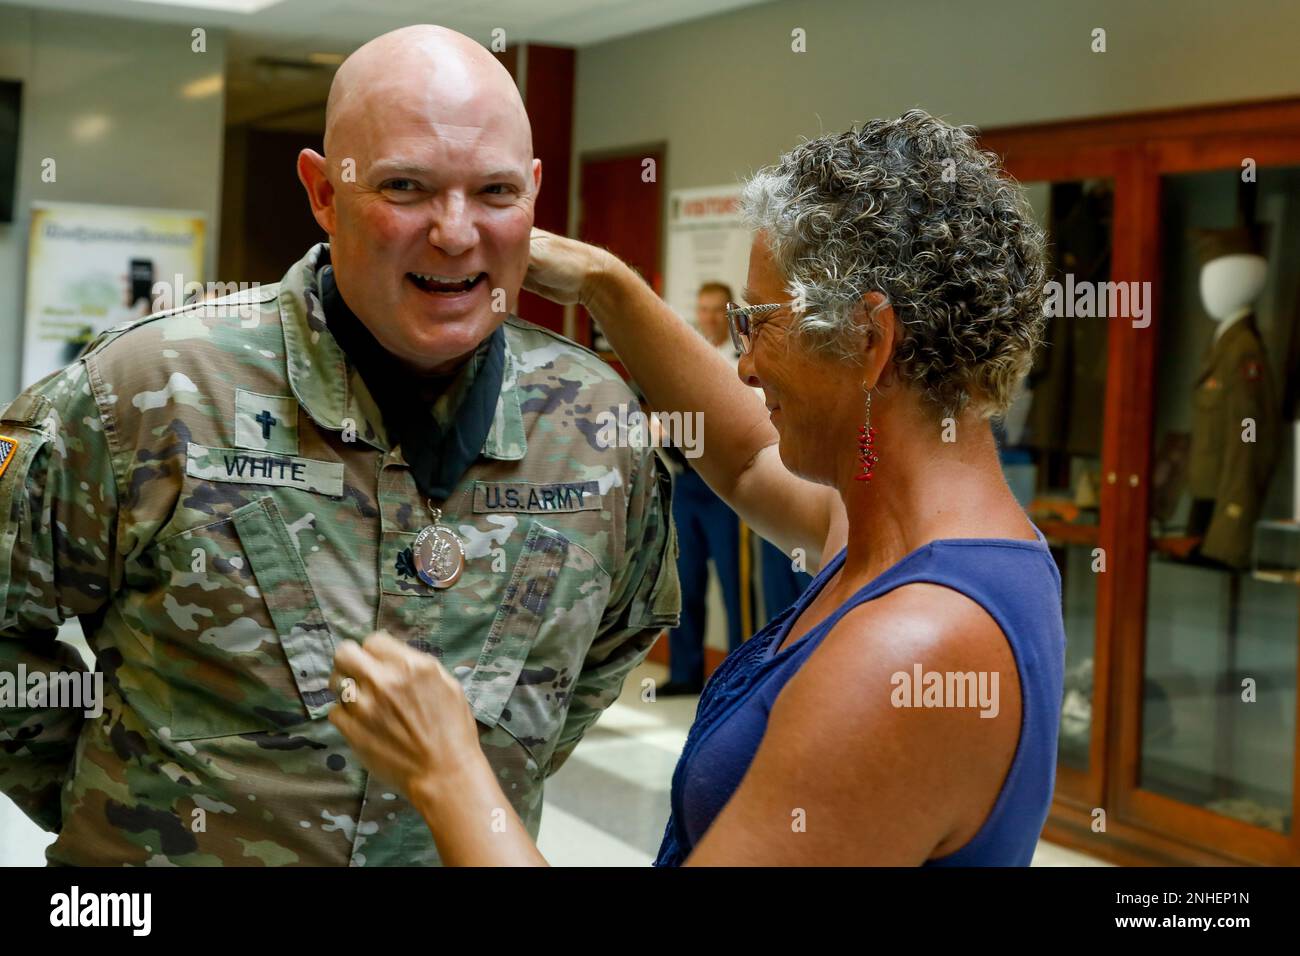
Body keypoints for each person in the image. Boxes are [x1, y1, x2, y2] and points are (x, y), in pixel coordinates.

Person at [0, 24, 678, 866]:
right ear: (323, 192)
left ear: (536, 193)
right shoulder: (147, 392)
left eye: (496, 192)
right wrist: (110, 801)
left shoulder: (596, 425)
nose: (457, 232)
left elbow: (613, 644)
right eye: (407, 187)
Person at [330, 109, 1067, 865]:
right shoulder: (923, 534)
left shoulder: (910, 654)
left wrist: (447, 772)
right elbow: (747, 458)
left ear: (871, 340)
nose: (745, 366)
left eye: (759, 323)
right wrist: (608, 286)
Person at [658, 282, 745, 695]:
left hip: (727, 490)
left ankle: (742, 679)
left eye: (716, 310)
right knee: (685, 583)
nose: (708, 317)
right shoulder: (687, 359)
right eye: (702, 308)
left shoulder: (741, 364)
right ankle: (685, 672)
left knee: (734, 586)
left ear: (729, 315)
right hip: (687, 483)